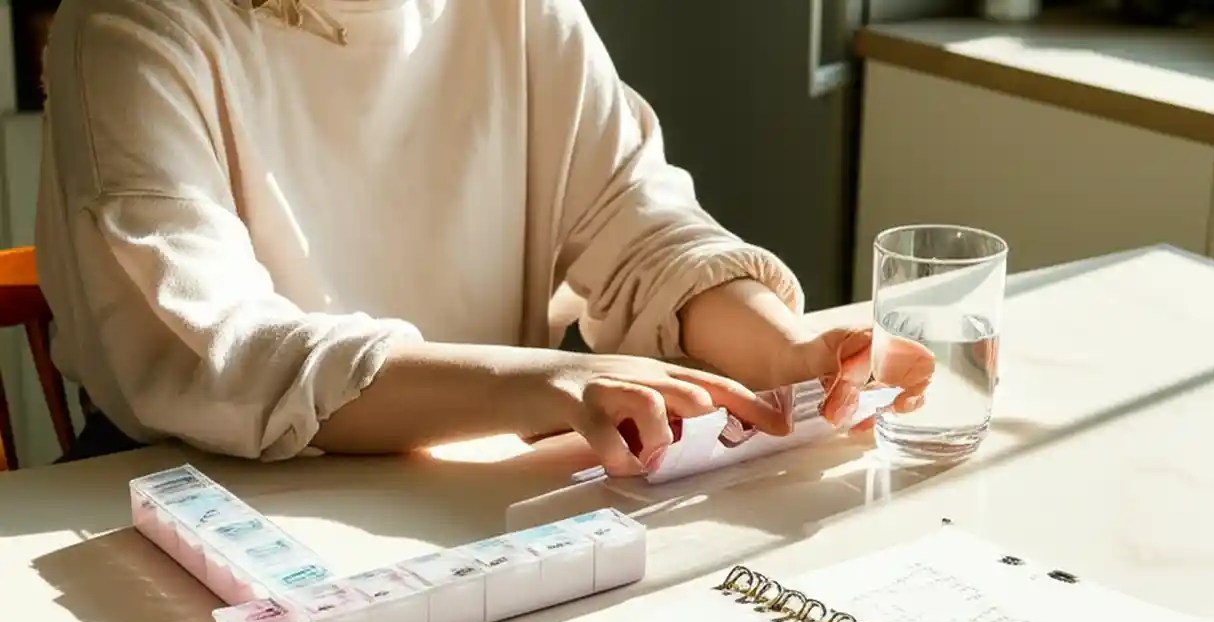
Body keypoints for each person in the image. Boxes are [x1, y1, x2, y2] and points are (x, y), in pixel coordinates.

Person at [35, 0, 933, 475]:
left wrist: (786, 349)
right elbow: (228, 351)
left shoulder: (517, 8)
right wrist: (551, 383)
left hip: (483, 489)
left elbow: (640, 223)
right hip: (196, 508)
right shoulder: (131, 26)